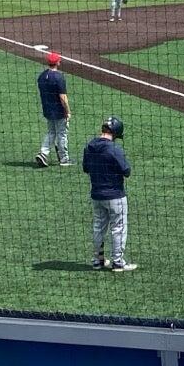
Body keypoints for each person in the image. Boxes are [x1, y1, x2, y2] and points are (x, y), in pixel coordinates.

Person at [82, 116, 134, 271]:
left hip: (96, 195)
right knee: (118, 227)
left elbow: (86, 168)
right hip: (115, 196)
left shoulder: (89, 146)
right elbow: (127, 171)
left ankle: (97, 261)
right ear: (115, 133)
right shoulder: (114, 149)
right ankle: (118, 262)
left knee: (98, 227)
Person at [36, 51, 71, 167]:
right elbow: (63, 98)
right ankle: (64, 159)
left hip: (47, 110)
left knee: (51, 132)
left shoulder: (41, 76)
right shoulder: (59, 77)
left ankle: (43, 153)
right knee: (62, 134)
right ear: (57, 63)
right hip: (59, 111)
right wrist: (68, 111)